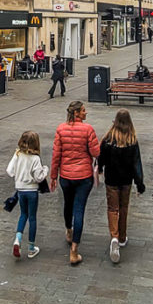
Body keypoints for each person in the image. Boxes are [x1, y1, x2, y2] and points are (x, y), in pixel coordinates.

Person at [50, 100, 101, 266]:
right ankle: (74, 250)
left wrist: (53, 176)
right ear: (77, 113)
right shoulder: (88, 129)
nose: (86, 113)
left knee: (68, 204)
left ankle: (69, 229)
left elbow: (56, 154)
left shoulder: (61, 129)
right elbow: (96, 152)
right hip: (83, 176)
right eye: (84, 110)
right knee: (79, 210)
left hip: (65, 175)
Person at [98, 110, 145, 263]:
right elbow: (137, 163)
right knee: (124, 207)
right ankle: (122, 237)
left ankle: (114, 236)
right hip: (126, 180)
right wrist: (140, 183)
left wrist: (99, 169)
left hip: (111, 179)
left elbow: (101, 158)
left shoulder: (108, 139)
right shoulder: (132, 140)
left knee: (112, 208)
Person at [7, 131, 49, 259]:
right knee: (32, 218)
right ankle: (31, 247)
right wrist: (45, 170)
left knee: (23, 215)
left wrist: (18, 176)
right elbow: (38, 177)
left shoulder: (17, 154)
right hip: (32, 191)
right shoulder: (35, 158)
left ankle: (18, 239)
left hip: (20, 190)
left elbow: (10, 171)